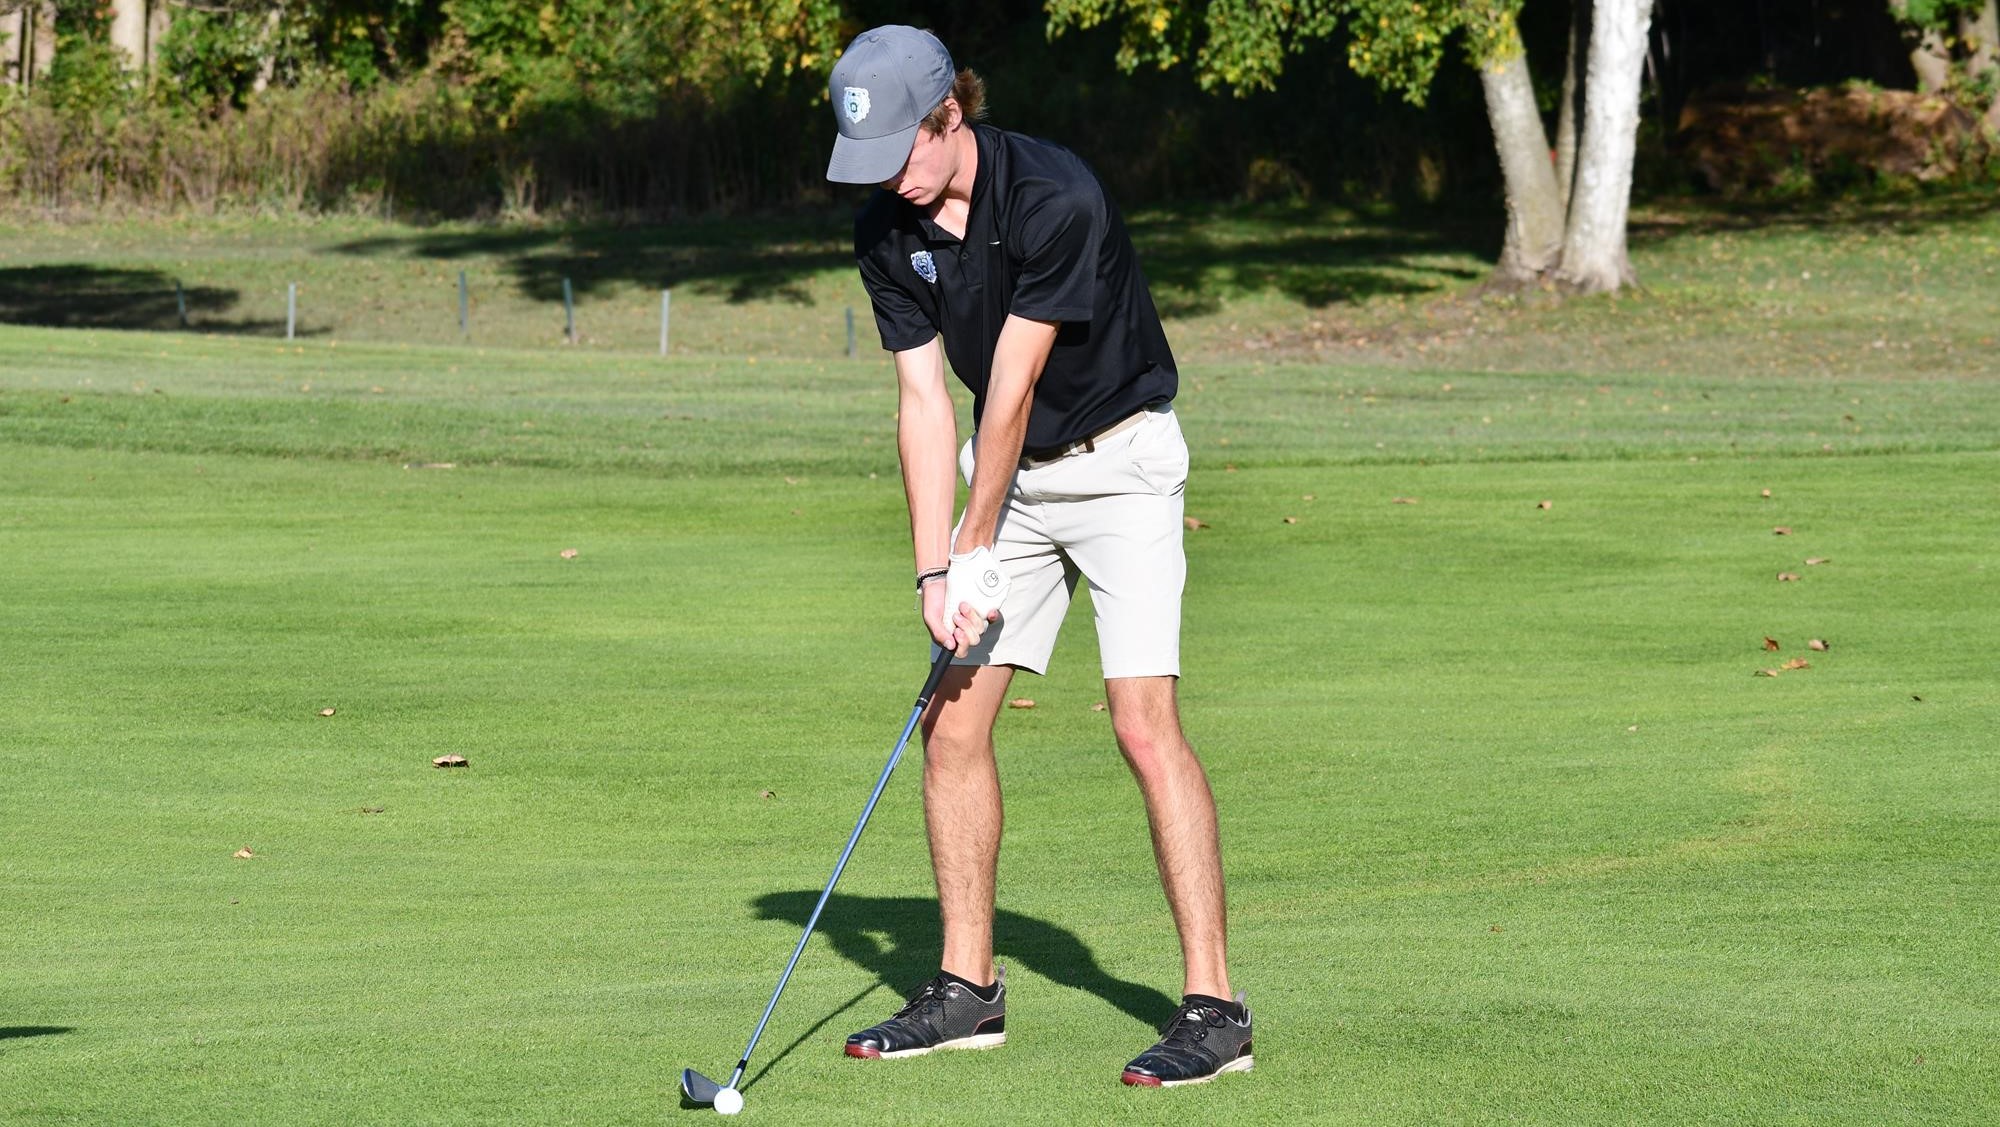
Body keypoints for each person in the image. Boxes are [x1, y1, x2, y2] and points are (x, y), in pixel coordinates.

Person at [824, 26, 1252, 1088]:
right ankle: (966, 989)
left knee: (1140, 721)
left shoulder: (1054, 193)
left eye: (901, 157)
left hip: (1120, 464)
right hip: (1002, 485)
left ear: (948, 117)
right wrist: (935, 572)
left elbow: (1010, 388)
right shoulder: (886, 230)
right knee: (950, 718)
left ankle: (1215, 1006)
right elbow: (927, 401)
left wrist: (974, 541)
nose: (888, 183)